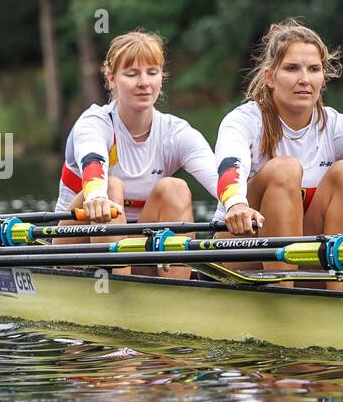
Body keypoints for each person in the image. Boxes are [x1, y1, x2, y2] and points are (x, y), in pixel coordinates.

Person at [55, 29, 261, 277]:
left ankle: (177, 292)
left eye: (152, 73)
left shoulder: (175, 132)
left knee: (175, 188)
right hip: (73, 245)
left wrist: (236, 204)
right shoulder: (94, 122)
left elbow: (219, 178)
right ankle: (120, 289)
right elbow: (93, 160)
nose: (144, 82)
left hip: (139, 247)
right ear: (111, 79)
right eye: (132, 74)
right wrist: (96, 196)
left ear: (161, 78)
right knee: (111, 187)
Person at [214, 20, 343, 287]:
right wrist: (237, 205)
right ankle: (282, 292)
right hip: (242, 248)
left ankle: (341, 297)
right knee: (285, 169)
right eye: (292, 68)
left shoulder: (340, 128)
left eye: (314, 69)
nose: (304, 79)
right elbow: (230, 166)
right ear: (269, 77)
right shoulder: (243, 121)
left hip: (306, 250)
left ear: (323, 77)